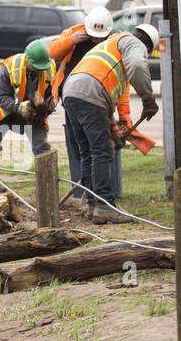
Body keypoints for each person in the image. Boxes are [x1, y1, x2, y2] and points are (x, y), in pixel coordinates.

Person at [62, 23, 159, 224]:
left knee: (88, 151)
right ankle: (104, 205)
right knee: (102, 150)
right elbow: (139, 67)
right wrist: (148, 100)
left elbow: (104, 102)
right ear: (148, 47)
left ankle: (92, 203)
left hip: (71, 91)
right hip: (90, 92)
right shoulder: (134, 43)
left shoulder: (112, 43)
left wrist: (113, 133)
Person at [47, 5, 113, 211]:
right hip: (73, 99)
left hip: (95, 99)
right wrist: (72, 40)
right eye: (93, 35)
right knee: (92, 150)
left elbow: (122, 83)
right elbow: (53, 51)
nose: (95, 39)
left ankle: (90, 197)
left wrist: (123, 114)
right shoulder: (75, 33)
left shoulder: (112, 42)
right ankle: (97, 200)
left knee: (90, 150)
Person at [0, 38, 54, 181]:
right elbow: (1, 96)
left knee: (42, 148)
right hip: (6, 113)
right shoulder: (11, 67)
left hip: (34, 115)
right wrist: (18, 107)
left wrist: (45, 106)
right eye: (36, 68)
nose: (39, 71)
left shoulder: (49, 68)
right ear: (27, 60)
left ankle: (47, 184)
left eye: (41, 68)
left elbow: (53, 95)